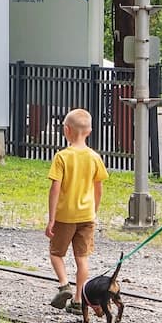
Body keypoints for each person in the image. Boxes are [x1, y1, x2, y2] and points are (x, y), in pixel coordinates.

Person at [45, 107, 108, 310]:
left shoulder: (62, 157)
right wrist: (94, 211)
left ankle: (64, 285)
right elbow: (98, 189)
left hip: (65, 215)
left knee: (56, 253)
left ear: (66, 130)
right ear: (89, 131)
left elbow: (55, 189)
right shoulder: (94, 157)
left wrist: (51, 219)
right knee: (82, 258)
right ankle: (79, 300)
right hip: (87, 215)